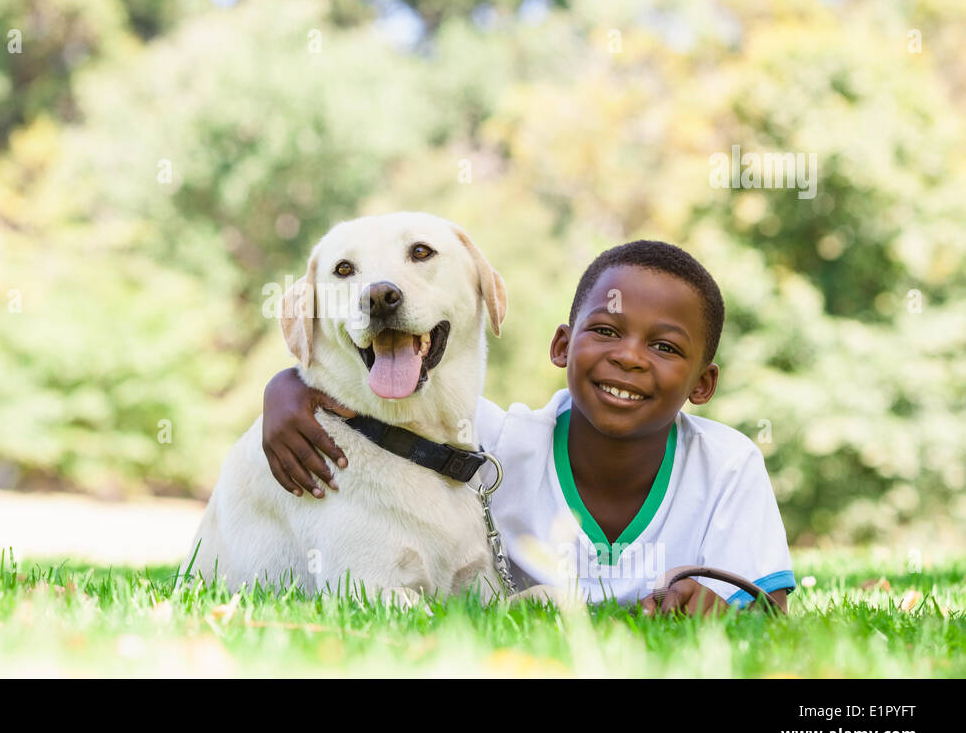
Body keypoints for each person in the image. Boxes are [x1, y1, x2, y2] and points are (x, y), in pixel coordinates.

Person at [260, 240, 794, 615]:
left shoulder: (727, 463)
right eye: (606, 331)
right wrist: (286, 388)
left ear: (703, 384)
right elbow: (378, 406)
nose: (629, 358)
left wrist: (721, 606)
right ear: (562, 346)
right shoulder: (492, 440)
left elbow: (769, 606)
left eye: (665, 346)